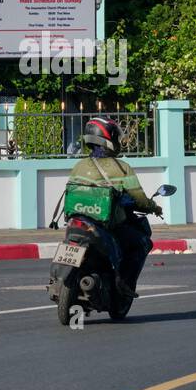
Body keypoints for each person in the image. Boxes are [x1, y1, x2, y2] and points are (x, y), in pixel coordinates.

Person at [67, 116, 162, 297]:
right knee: (142, 243)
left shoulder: (79, 166)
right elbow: (140, 199)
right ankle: (124, 283)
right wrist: (154, 207)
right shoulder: (121, 167)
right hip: (107, 225)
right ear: (108, 138)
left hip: (77, 220)